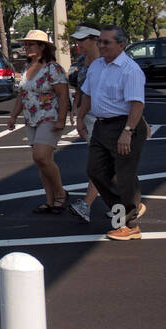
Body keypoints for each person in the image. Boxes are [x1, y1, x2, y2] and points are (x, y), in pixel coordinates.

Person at [75, 26, 149, 240]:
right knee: (95, 171)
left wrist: (127, 132)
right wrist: (80, 118)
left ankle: (130, 225)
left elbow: (137, 104)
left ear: (121, 45)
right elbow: (88, 94)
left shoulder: (130, 69)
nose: (101, 45)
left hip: (125, 125)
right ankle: (130, 208)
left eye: (107, 42)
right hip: (101, 126)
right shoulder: (97, 66)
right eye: (100, 41)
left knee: (124, 176)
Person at [5, 29, 70, 214]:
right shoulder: (26, 69)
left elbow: (63, 95)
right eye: (25, 45)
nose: (26, 47)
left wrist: (62, 120)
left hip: (49, 117)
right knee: (42, 161)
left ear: (43, 47)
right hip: (31, 119)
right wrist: (13, 116)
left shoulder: (53, 67)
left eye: (31, 44)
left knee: (41, 156)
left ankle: (61, 194)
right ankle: (50, 200)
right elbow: (22, 95)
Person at [66, 24, 103, 222]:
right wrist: (77, 109)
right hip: (88, 116)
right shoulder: (82, 60)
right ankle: (127, 201)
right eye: (77, 39)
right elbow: (81, 86)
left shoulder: (107, 62)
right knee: (106, 165)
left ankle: (86, 205)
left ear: (95, 40)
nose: (77, 43)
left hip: (105, 118)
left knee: (99, 164)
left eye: (81, 40)